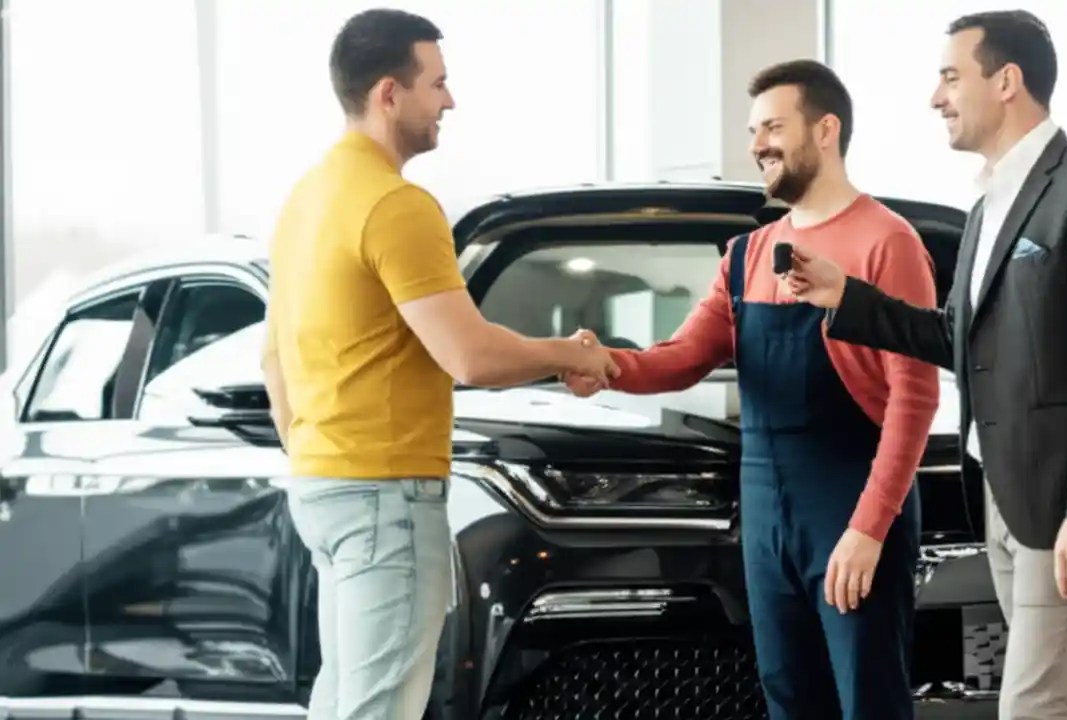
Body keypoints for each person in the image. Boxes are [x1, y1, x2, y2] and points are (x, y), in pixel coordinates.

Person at [784, 11, 1067, 720]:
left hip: (1063, 503)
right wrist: (846, 296)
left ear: (1006, 81)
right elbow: (958, 337)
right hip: (1004, 492)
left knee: (1034, 704)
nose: (936, 97)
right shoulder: (987, 207)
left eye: (951, 77)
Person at [258, 9, 618, 720]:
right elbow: (469, 355)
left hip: (325, 485)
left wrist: (317, 455)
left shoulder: (306, 199)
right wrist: (568, 353)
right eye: (438, 83)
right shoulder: (396, 205)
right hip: (384, 494)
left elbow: (274, 358)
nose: (449, 101)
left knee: (347, 701)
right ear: (389, 94)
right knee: (380, 708)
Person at [563, 60, 939, 720]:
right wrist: (607, 365)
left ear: (826, 130)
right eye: (752, 131)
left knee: (869, 701)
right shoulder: (748, 254)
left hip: (849, 505)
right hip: (765, 516)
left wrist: (869, 527)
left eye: (773, 127)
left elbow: (915, 398)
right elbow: (683, 357)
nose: (758, 144)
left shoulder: (888, 242)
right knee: (787, 698)